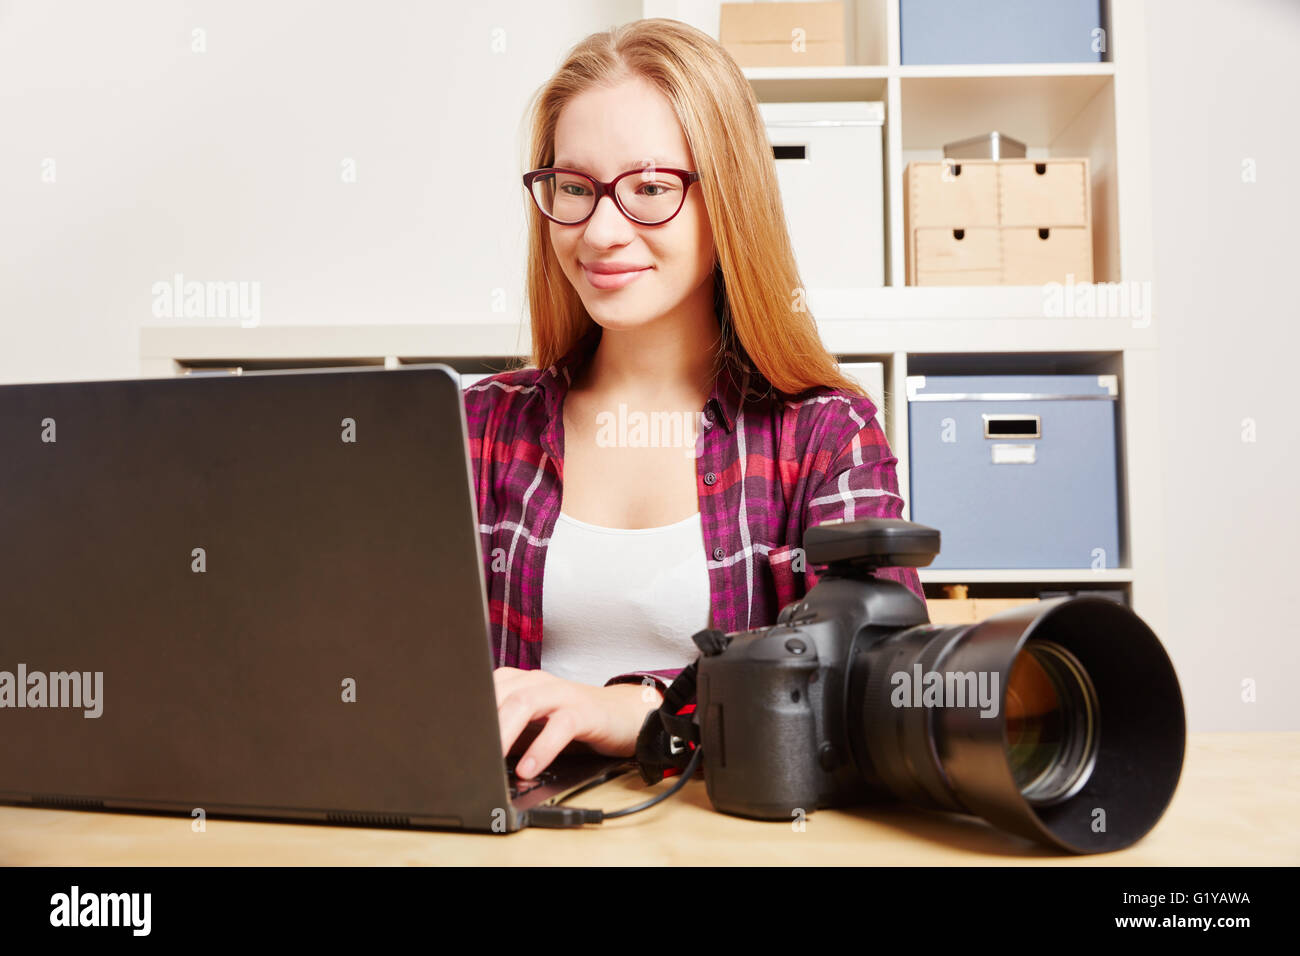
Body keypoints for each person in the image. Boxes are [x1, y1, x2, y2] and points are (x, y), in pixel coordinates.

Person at [463, 18, 926, 781]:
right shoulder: (480, 426)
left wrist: (637, 711)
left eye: (649, 188)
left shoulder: (825, 435)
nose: (601, 231)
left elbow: (875, 696)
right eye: (575, 188)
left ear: (729, 203)